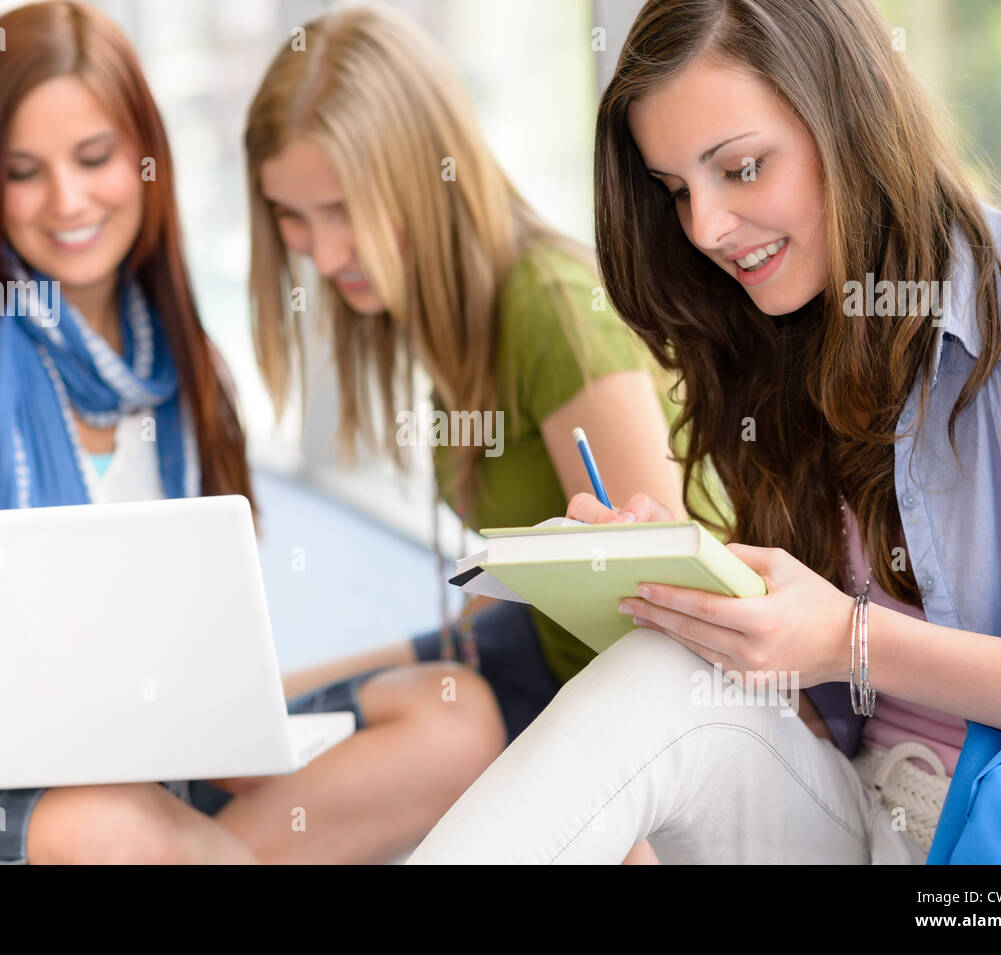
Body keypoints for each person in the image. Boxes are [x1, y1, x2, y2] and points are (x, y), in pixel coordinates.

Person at [0, 0, 503, 866]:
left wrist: (208, 717)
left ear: (145, 161)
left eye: (94, 158)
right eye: (24, 171)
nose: (67, 201)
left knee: (453, 716)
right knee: (105, 821)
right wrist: (58, 707)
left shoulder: (184, 360)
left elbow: (198, 631)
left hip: (140, 766)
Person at [407, 0, 1001, 864]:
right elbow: (814, 716)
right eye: (675, 192)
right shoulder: (776, 345)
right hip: (856, 813)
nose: (703, 229)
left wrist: (851, 639)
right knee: (665, 676)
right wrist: (691, 603)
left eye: (739, 168)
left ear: (857, 106)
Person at [243, 4, 725, 864]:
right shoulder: (439, 315)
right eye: (293, 216)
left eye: (344, 208)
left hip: (634, 687)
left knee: (361, 742)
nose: (321, 250)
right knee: (256, 721)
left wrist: (628, 828)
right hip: (528, 645)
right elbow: (511, 588)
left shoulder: (547, 303)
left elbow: (670, 604)